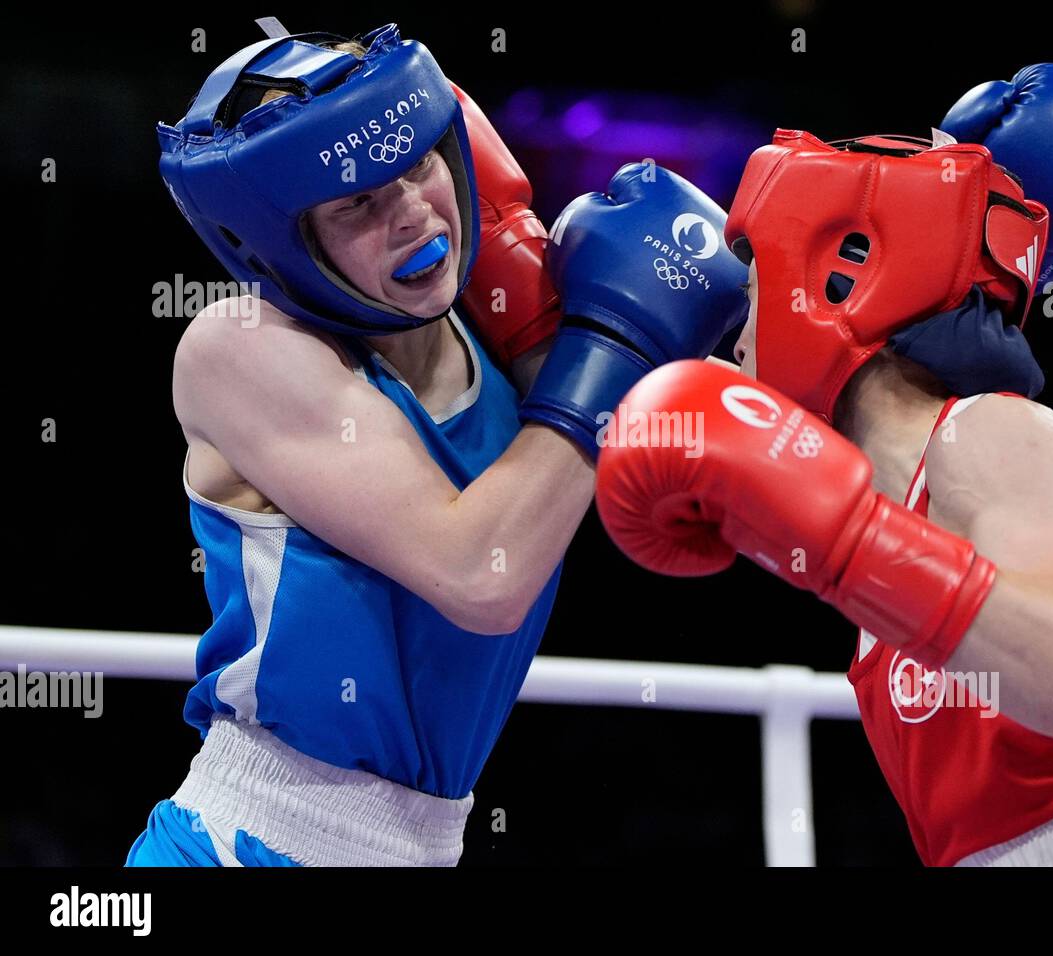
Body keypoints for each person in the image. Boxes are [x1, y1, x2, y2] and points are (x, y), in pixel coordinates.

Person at [128, 21, 746, 866]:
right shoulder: (240, 348)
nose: (416, 212)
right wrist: (612, 346)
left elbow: (709, 463)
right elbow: (480, 574)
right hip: (248, 840)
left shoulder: (489, 332)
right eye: (357, 201)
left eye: (417, 163)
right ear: (280, 240)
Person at [594, 65, 1053, 866]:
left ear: (833, 281)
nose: (736, 334)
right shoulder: (886, 516)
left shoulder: (996, 438)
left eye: (754, 290)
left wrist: (849, 544)